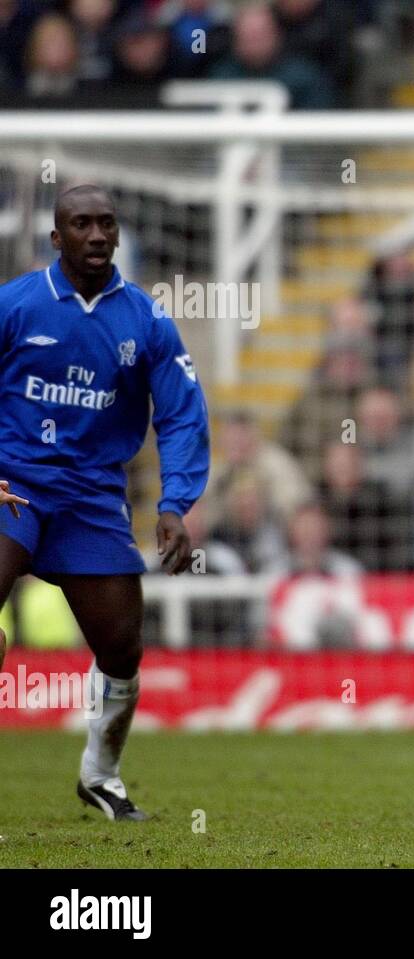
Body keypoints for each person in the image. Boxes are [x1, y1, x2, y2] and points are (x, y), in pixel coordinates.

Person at [0, 184, 210, 820]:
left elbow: (180, 416)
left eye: (106, 224)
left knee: (122, 647)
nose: (96, 235)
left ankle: (101, 774)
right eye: (81, 224)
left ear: (119, 235)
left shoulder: (146, 320)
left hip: (93, 497)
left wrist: (174, 502)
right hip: (13, 485)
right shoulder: (15, 305)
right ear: (56, 237)